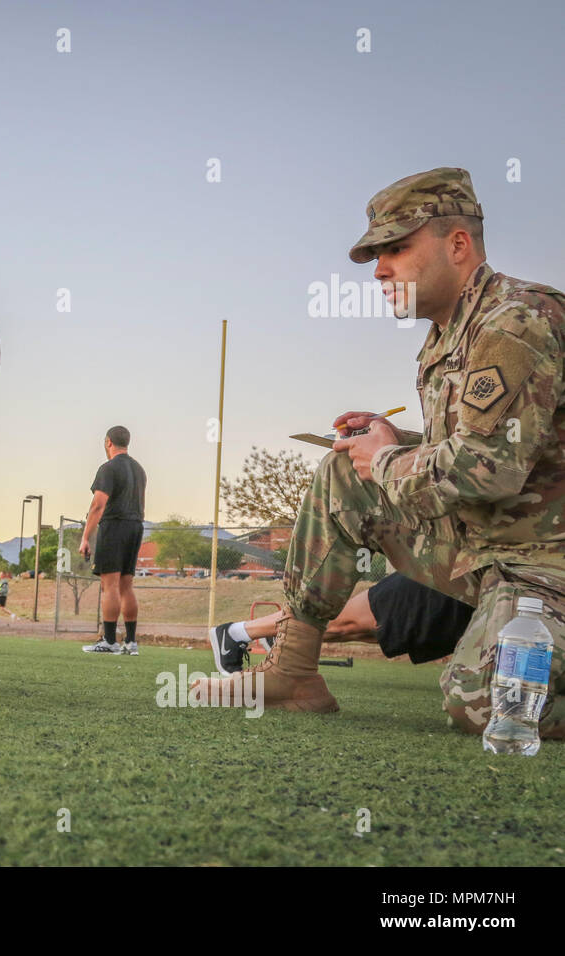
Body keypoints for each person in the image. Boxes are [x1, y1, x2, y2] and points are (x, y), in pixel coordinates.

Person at [194, 167, 565, 737]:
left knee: (487, 708)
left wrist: (387, 460)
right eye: (375, 256)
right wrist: (384, 442)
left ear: (458, 244)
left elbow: (490, 471)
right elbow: (473, 452)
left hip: (544, 568)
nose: (381, 269)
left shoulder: (515, 322)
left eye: (397, 248)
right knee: (345, 468)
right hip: (487, 552)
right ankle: (292, 671)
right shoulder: (447, 335)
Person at [208, 571, 474, 674]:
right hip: (462, 571)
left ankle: (278, 638)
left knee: (387, 634)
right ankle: (235, 633)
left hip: (494, 583)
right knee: (353, 622)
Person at [79, 426, 147, 655]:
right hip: (136, 526)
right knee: (126, 586)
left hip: (115, 526)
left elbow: (98, 504)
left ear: (108, 442)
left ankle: (109, 641)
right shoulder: (139, 470)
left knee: (110, 586)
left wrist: (85, 537)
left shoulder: (108, 468)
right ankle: (131, 642)